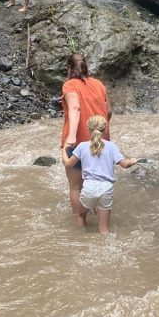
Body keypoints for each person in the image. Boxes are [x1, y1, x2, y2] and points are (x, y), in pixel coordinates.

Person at [62, 115, 138, 233]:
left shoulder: (81, 146)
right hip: (106, 188)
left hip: (89, 188)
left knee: (80, 216)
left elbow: (68, 165)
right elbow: (125, 165)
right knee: (104, 229)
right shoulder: (112, 146)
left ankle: (81, 238)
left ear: (88, 129)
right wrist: (132, 161)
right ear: (105, 129)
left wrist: (64, 150)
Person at [60, 53, 111, 221]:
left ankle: (80, 222)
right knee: (99, 181)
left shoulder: (69, 85)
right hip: (102, 142)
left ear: (68, 68)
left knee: (76, 187)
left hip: (78, 142)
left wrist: (71, 136)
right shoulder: (99, 84)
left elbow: (75, 108)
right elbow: (109, 111)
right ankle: (101, 220)